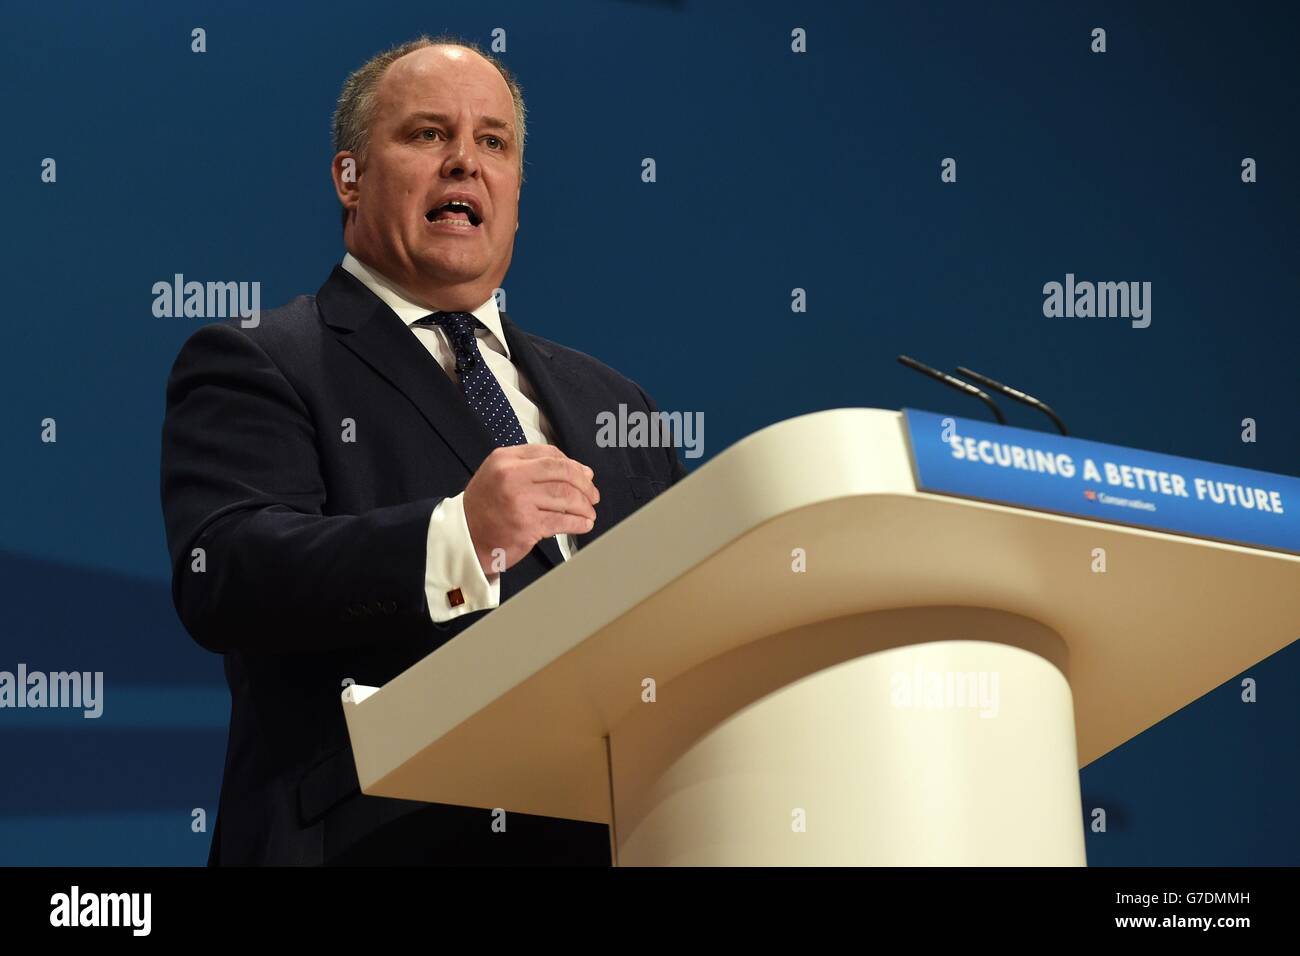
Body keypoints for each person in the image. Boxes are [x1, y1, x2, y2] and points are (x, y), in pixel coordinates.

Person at [159, 35, 686, 865]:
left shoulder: (619, 404)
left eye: (493, 143)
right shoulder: (263, 359)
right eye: (428, 135)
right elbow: (224, 572)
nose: (465, 165)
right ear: (350, 177)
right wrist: (456, 537)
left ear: (516, 189)